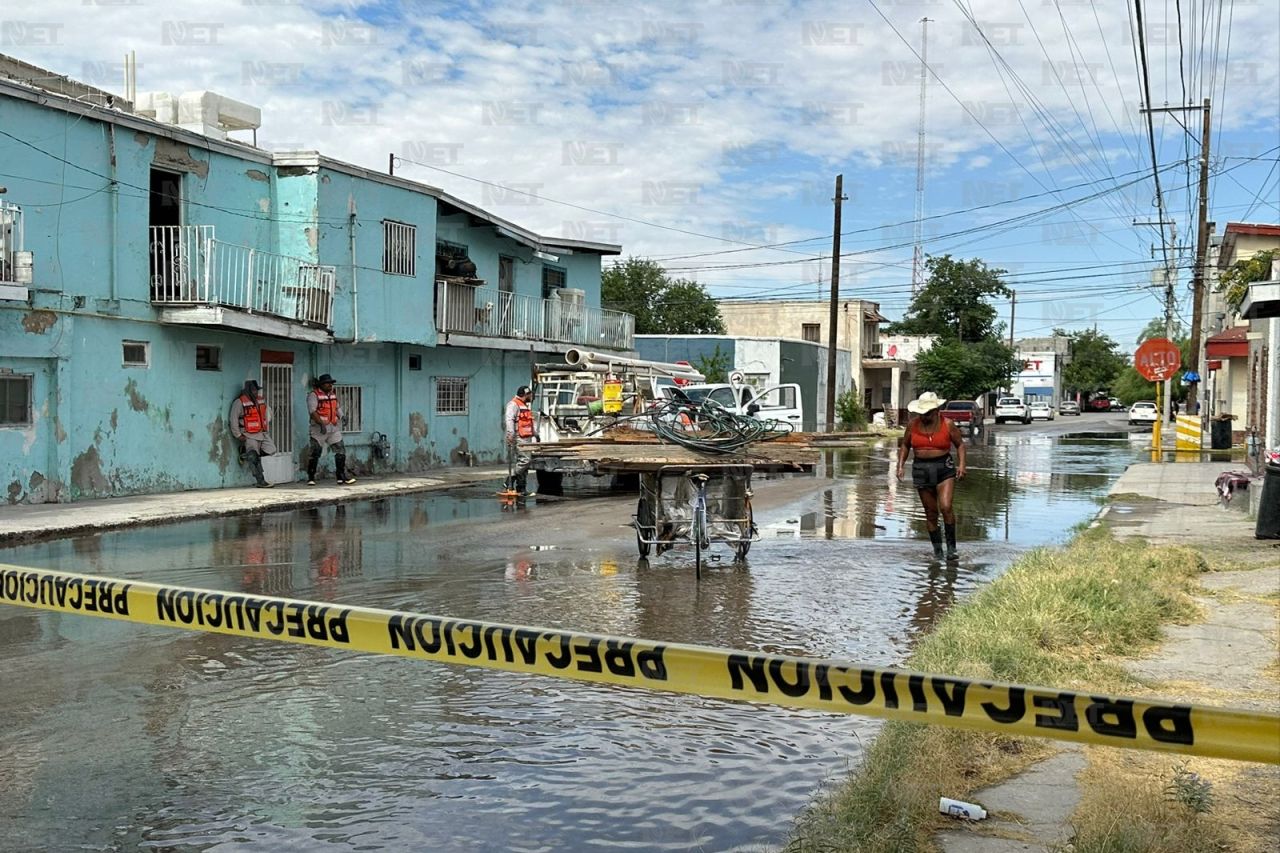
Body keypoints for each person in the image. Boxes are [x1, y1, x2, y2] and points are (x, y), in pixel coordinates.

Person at [896, 391, 967, 560]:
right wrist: (900, 466)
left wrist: (962, 465)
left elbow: (960, 445)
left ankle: (951, 549)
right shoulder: (912, 425)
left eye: (927, 413)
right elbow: (905, 446)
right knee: (930, 512)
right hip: (921, 469)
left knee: (946, 507)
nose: (924, 417)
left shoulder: (948, 424)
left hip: (944, 468)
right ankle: (938, 551)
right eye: (921, 413)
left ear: (936, 411)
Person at [307, 373, 355, 486]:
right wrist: (321, 423)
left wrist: (342, 416)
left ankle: (341, 476)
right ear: (322, 385)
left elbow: (337, 408)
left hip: (333, 427)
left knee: (340, 450)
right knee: (315, 452)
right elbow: (312, 411)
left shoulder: (332, 395)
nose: (330, 385)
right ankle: (311, 477)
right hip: (319, 429)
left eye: (331, 383)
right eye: (328, 383)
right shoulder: (313, 395)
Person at [229, 379, 277, 488]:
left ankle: (244, 454)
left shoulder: (260, 400)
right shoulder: (239, 402)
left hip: (261, 432)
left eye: (257, 390)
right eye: (254, 390)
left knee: (271, 449)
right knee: (254, 457)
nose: (256, 393)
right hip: (248, 434)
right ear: (248, 391)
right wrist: (238, 435)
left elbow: (266, 415)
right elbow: (233, 419)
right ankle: (261, 481)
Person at [503, 384, 537, 495]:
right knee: (525, 461)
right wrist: (510, 434)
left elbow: (528, 422)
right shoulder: (513, 404)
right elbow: (509, 420)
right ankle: (510, 478)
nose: (531, 396)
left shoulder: (524, 405)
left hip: (526, 437)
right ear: (525, 395)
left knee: (524, 465)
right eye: (530, 394)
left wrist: (535, 434)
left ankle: (521, 488)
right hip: (519, 437)